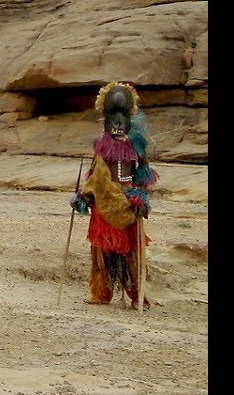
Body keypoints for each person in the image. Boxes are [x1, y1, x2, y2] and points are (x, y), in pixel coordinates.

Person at [70, 81, 158, 309]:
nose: (118, 121)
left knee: (132, 249)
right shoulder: (101, 142)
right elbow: (95, 176)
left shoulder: (137, 143)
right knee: (102, 247)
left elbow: (143, 172)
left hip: (129, 199)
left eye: (122, 114)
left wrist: (141, 197)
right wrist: (83, 198)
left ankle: (137, 295)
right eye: (113, 114)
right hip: (104, 199)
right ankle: (101, 292)